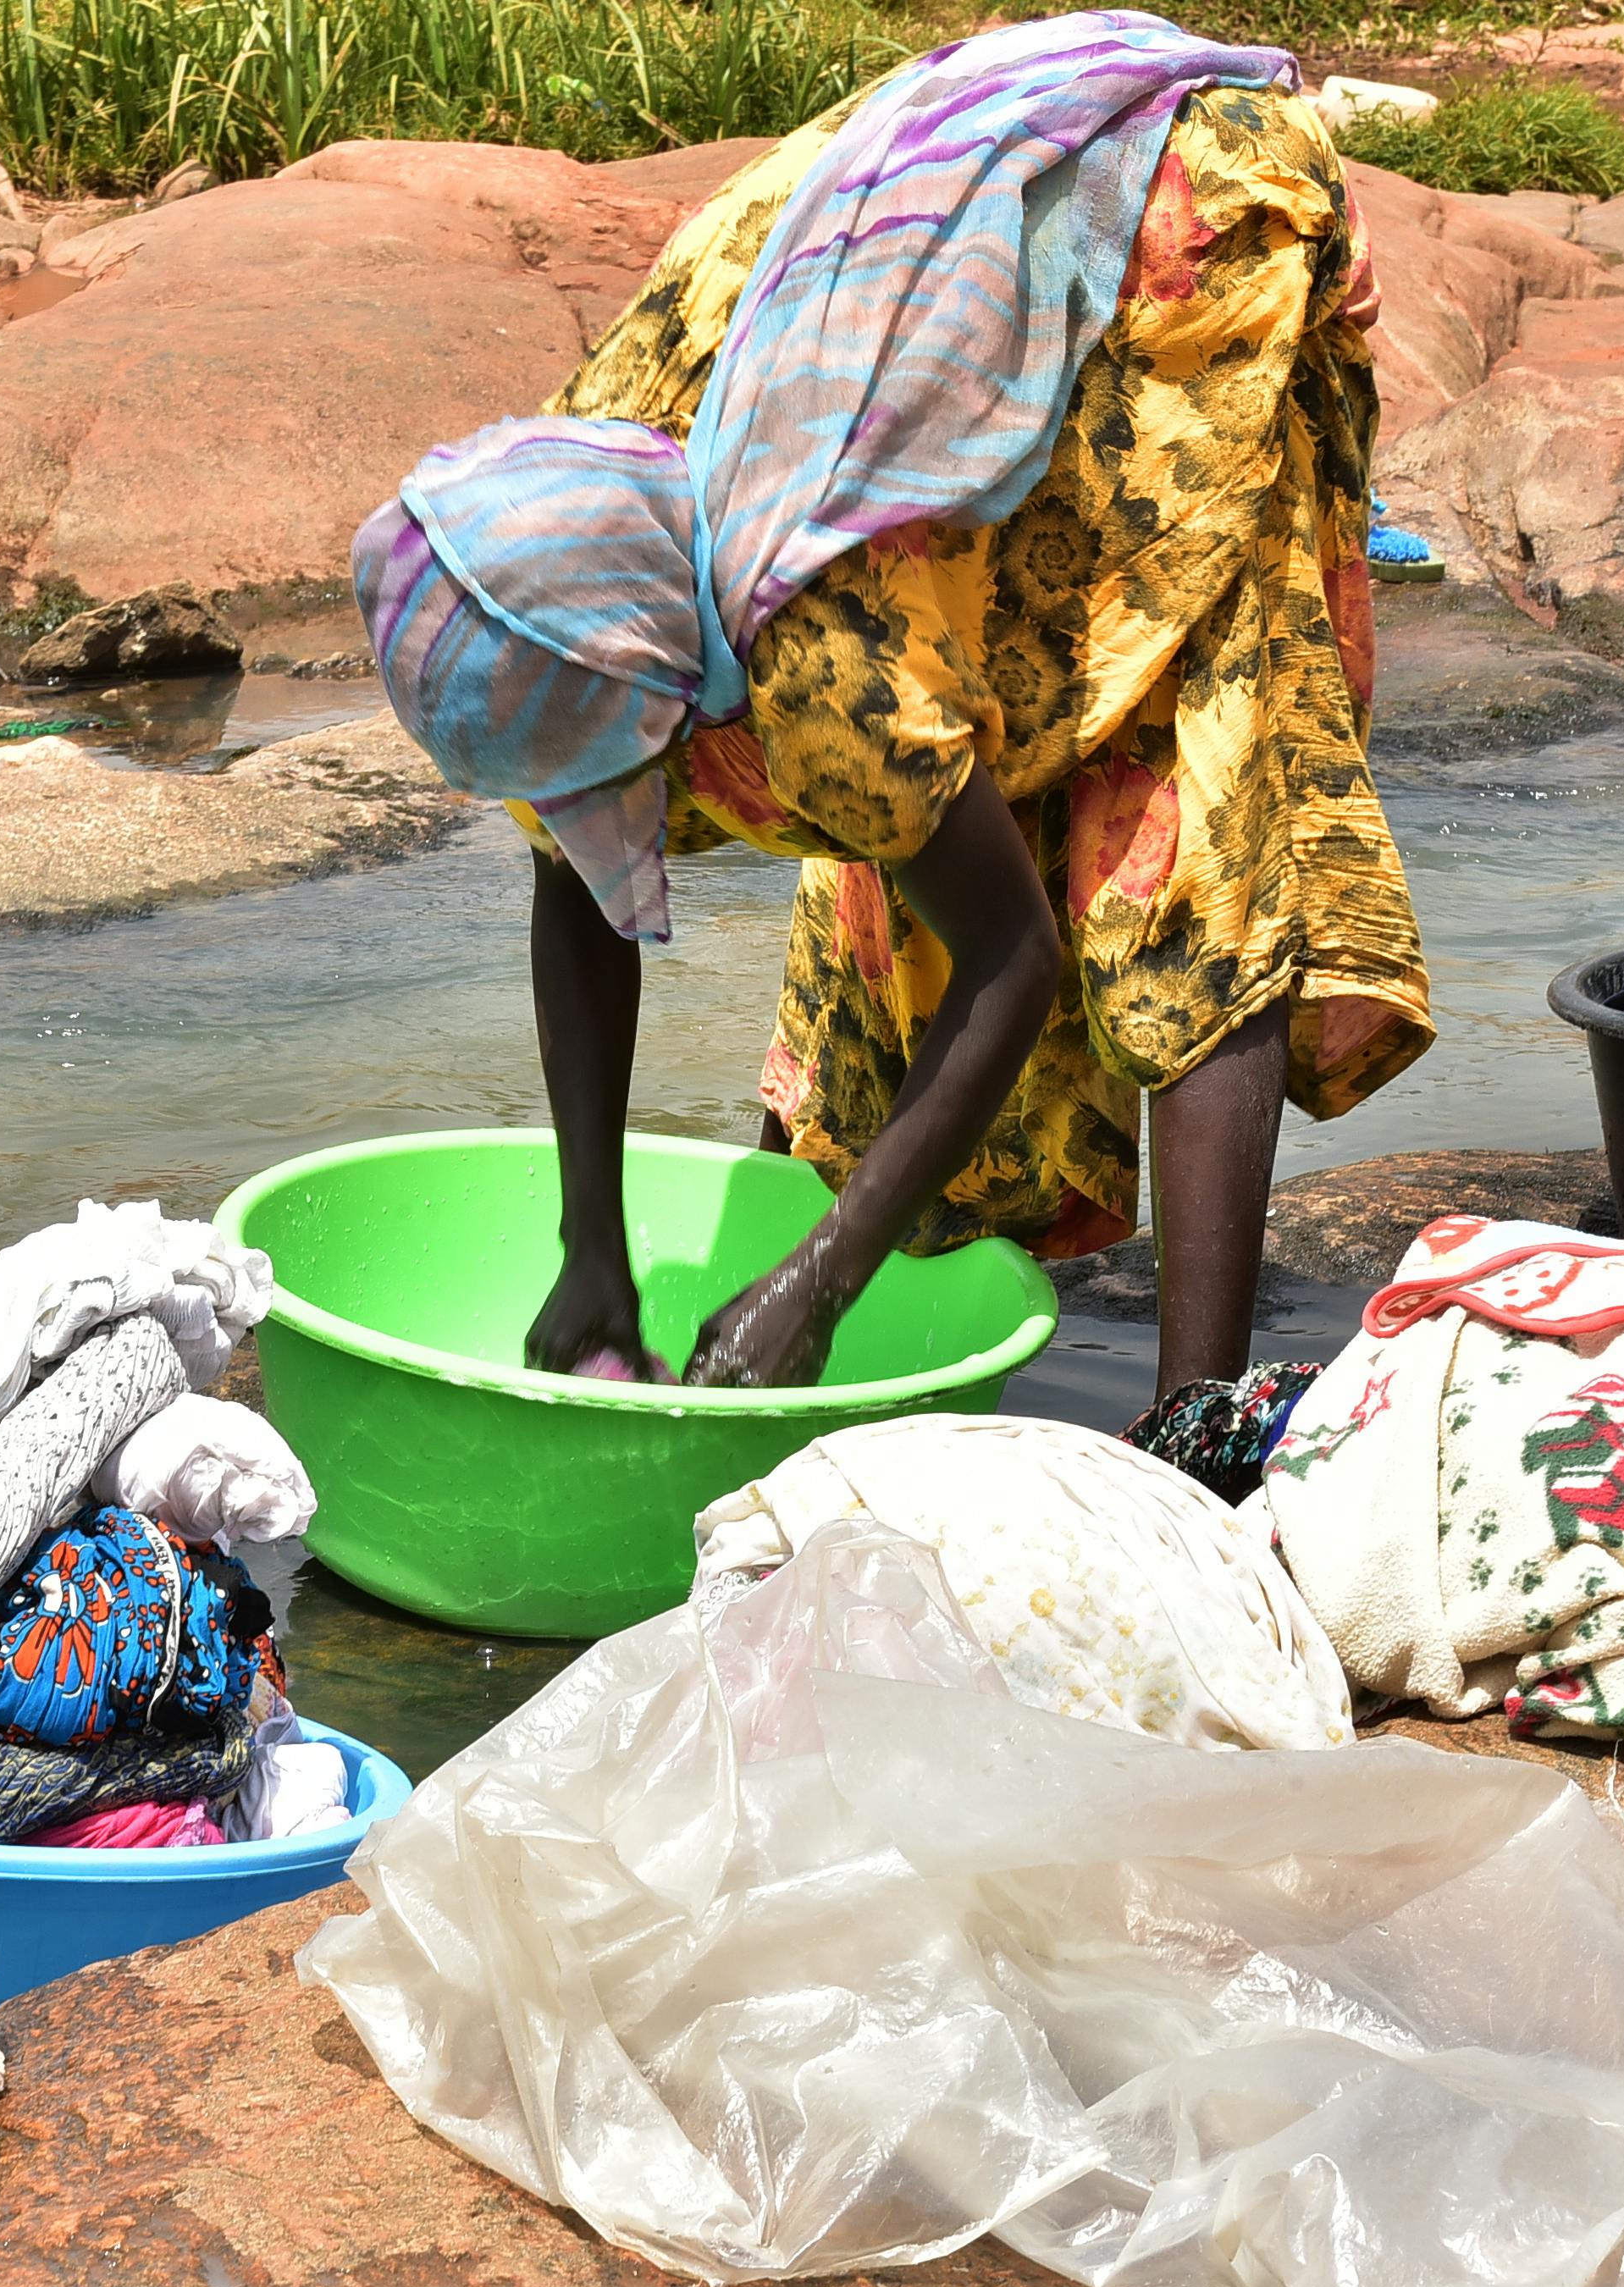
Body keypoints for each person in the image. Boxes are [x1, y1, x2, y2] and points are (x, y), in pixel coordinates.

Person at [356, 11, 1431, 1393]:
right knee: (909, 797)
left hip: (1182, 217)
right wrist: (590, 1252)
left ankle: (1194, 1425)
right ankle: (873, 1216)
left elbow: (1012, 955)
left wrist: (819, 1284)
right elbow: (575, 885)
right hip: (933, 269)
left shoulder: (810, 640)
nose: (591, 809)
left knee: (1176, 807)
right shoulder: (542, 550)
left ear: (660, 674)